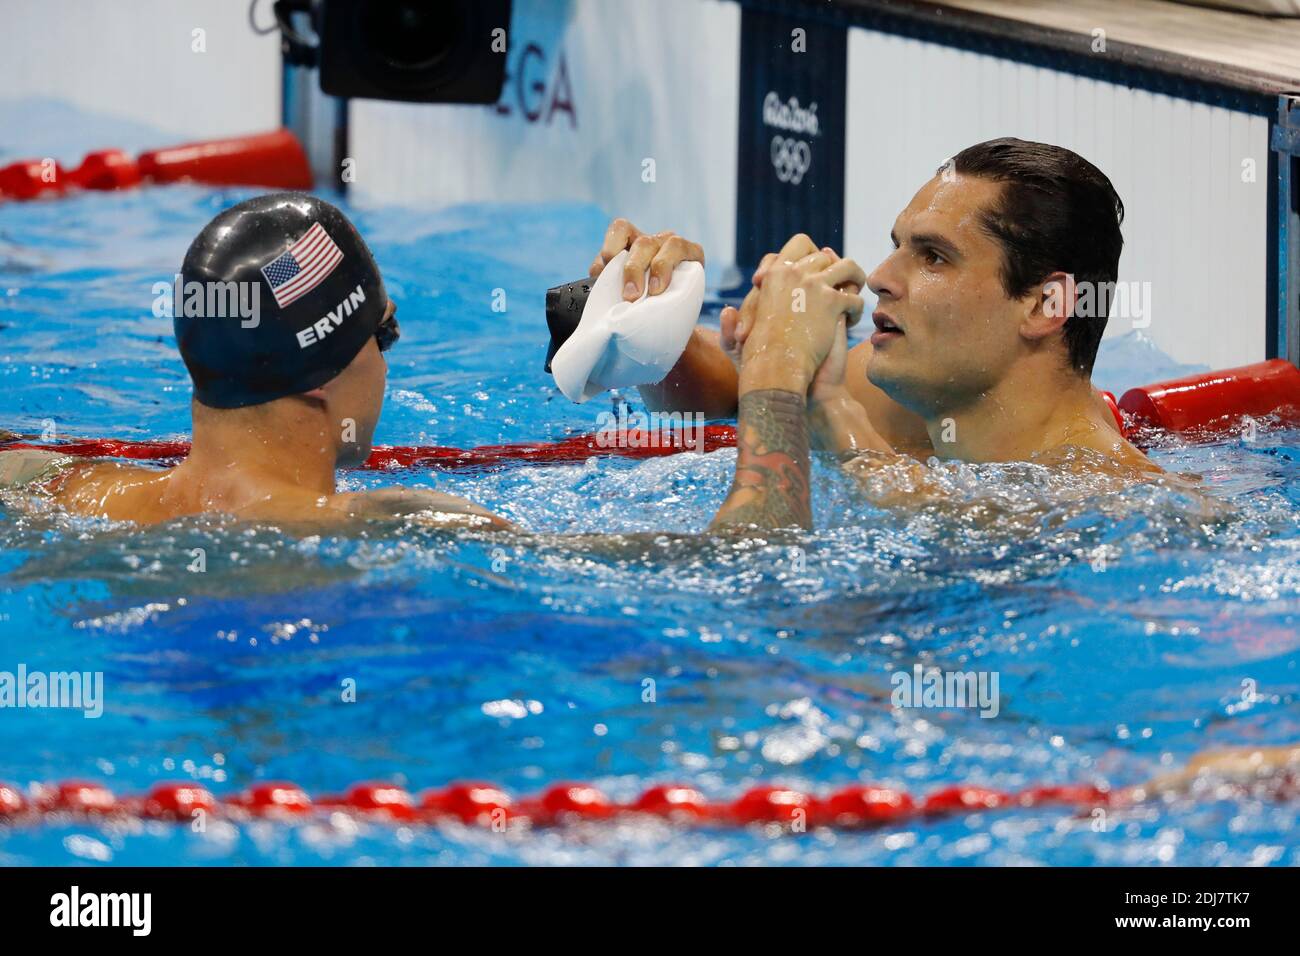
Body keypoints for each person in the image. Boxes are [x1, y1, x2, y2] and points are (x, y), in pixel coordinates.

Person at [591, 138, 1158, 528]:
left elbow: (755, 570)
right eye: (897, 247)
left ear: (1044, 303)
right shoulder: (922, 397)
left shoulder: (1115, 505)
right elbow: (718, 395)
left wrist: (824, 407)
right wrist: (653, 321)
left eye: (934, 257)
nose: (882, 279)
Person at [0, 194, 511, 530]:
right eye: (383, 335)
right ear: (321, 375)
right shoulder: (400, 525)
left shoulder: (60, 488)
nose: (383, 366)